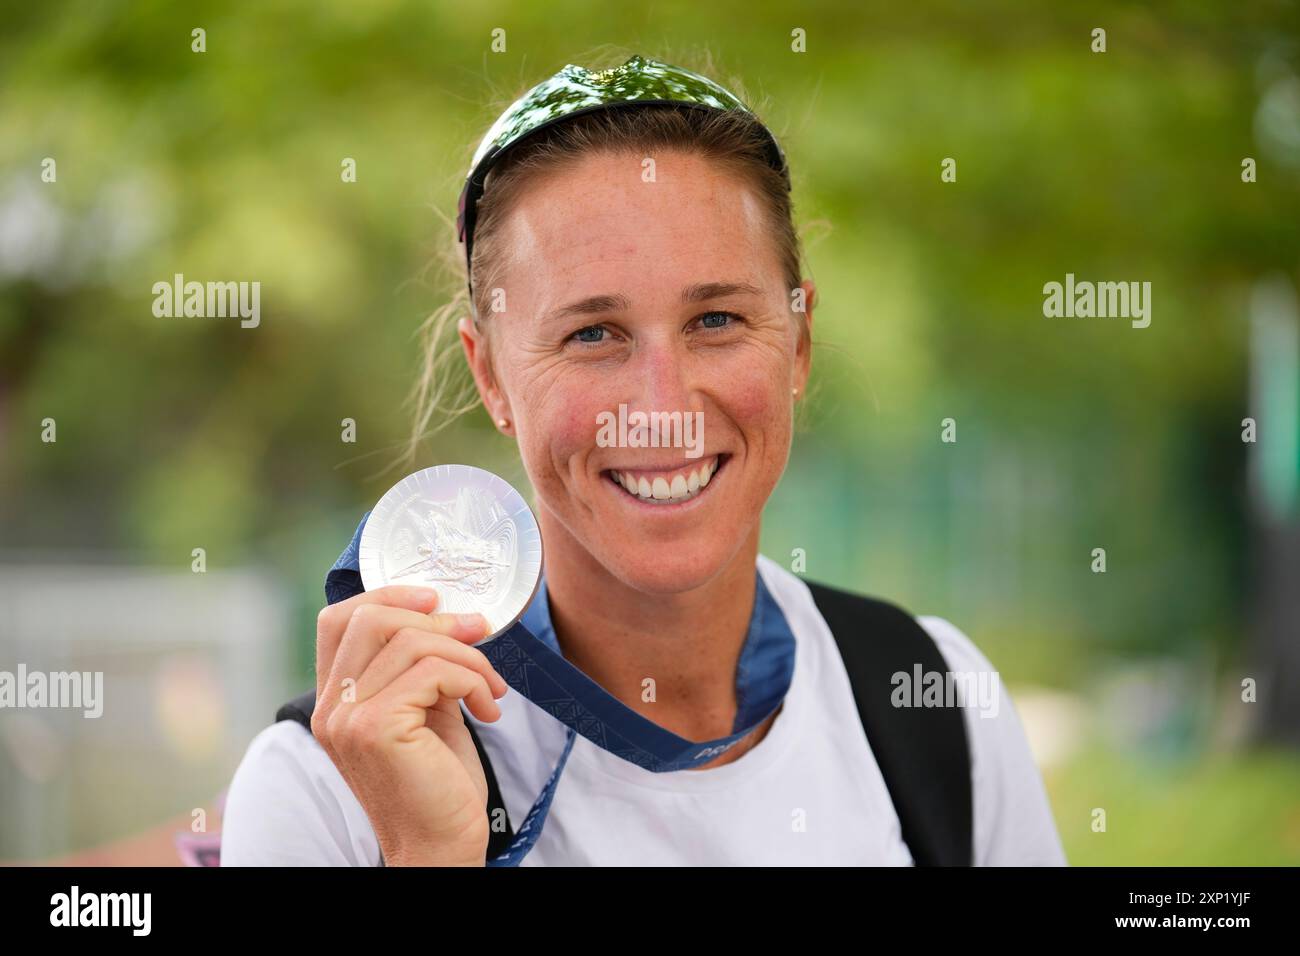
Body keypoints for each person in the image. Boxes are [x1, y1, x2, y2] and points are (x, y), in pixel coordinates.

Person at [220, 54, 1066, 867]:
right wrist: (430, 856)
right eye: (592, 334)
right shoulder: (327, 791)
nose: (662, 408)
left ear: (799, 341)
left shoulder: (932, 696)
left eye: (717, 321)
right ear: (492, 376)